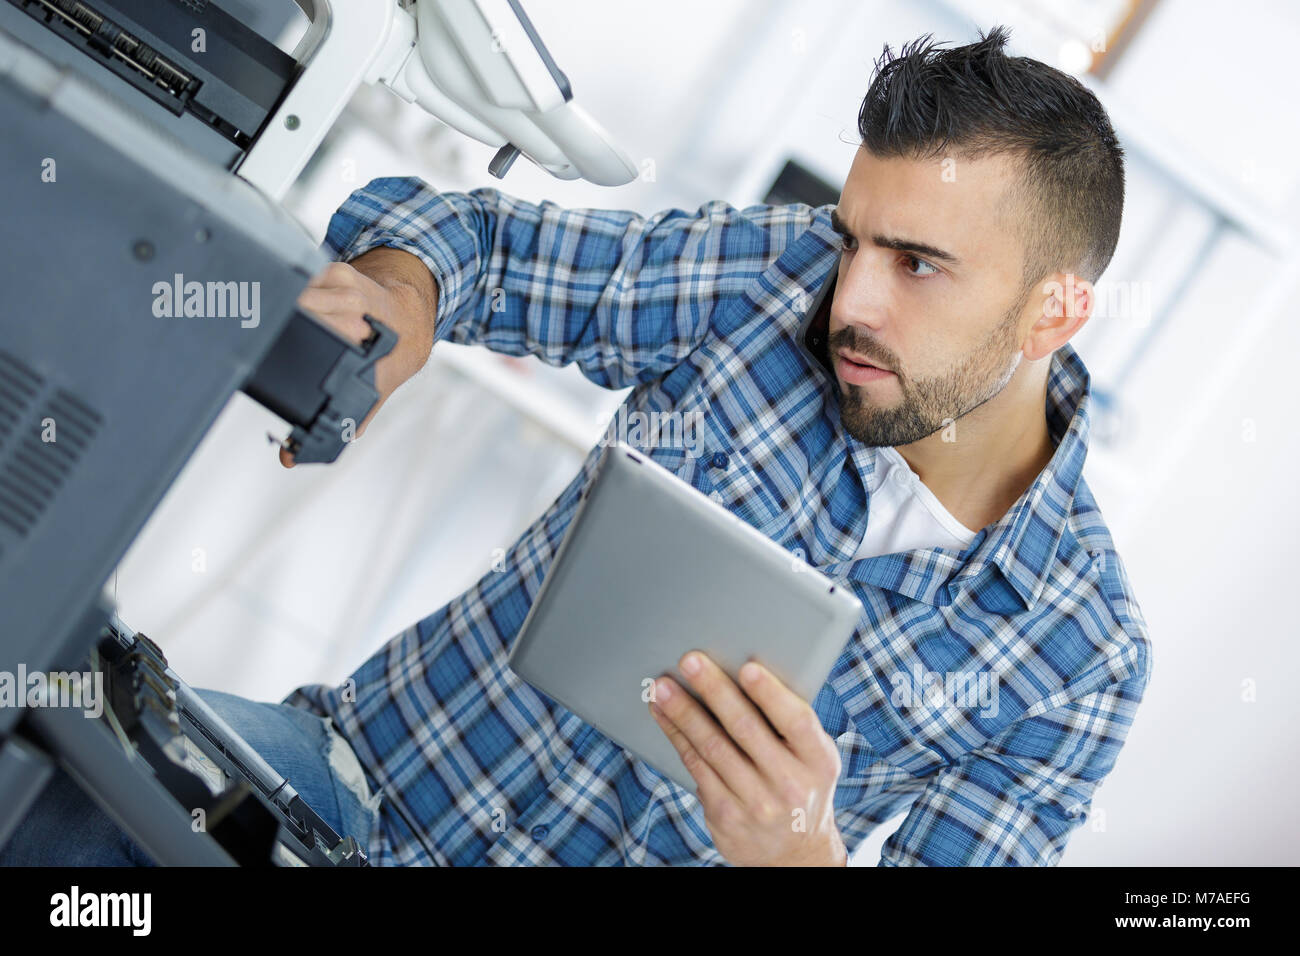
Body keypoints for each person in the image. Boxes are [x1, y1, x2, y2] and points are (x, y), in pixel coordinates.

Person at [2, 25, 1151, 867]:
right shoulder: (774, 276)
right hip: (346, 787)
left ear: (1054, 311)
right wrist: (410, 295)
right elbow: (487, 247)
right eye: (853, 239)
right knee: (47, 786)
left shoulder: (1078, 657)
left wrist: (795, 851)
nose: (847, 297)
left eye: (916, 264)